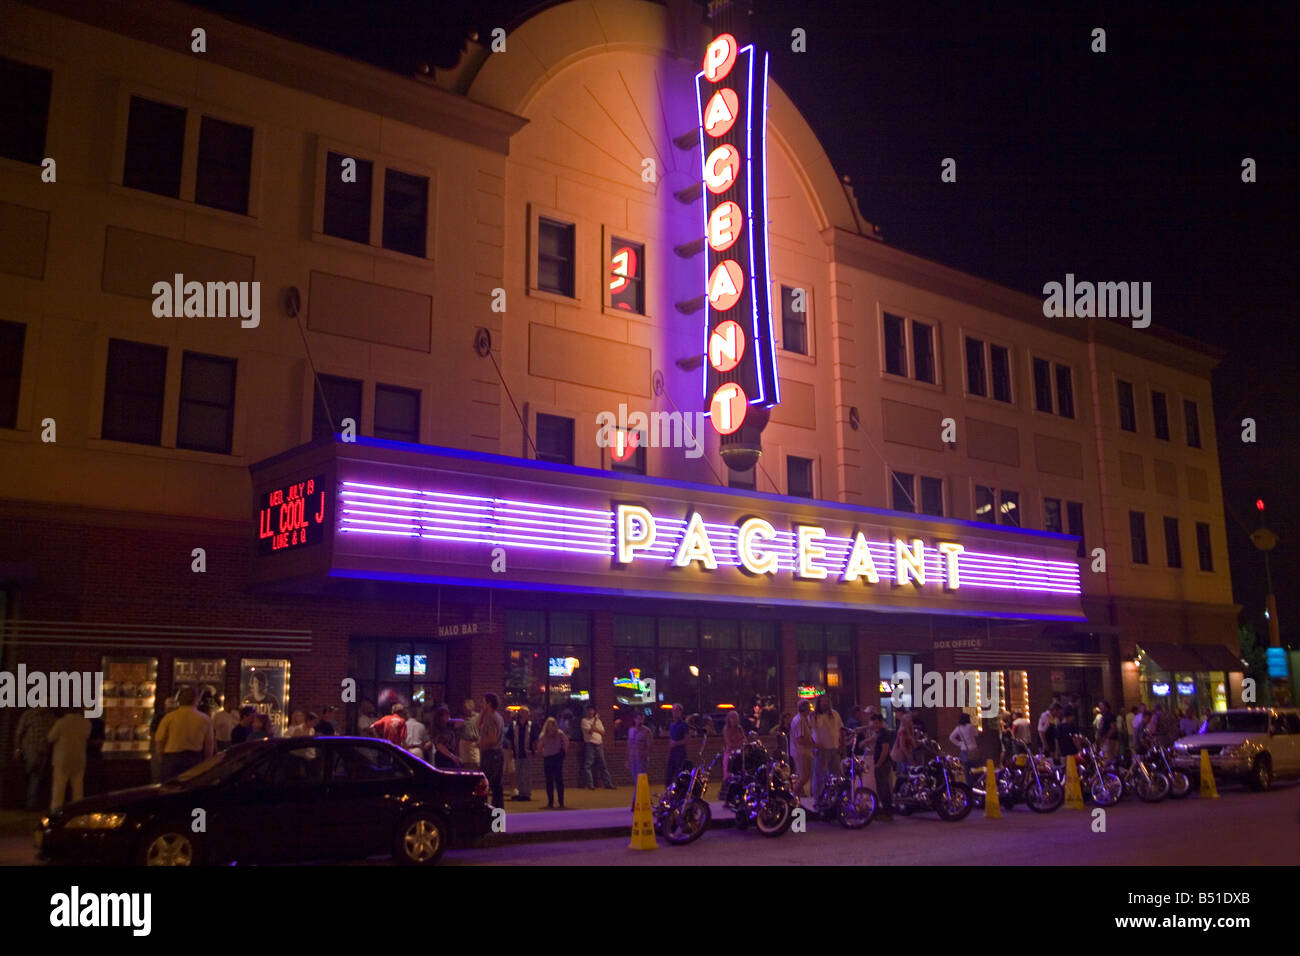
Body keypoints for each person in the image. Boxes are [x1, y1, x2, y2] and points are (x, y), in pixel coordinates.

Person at [154, 686, 216, 781]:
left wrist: (162, 759)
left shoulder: (169, 717)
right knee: (191, 789)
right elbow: (209, 744)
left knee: (168, 790)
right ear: (196, 700)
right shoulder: (204, 719)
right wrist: (206, 763)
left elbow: (160, 740)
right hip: (193, 758)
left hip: (171, 757)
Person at [47, 708, 93, 812]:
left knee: (58, 790)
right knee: (77, 790)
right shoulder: (86, 723)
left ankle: (56, 812)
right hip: (79, 760)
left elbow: (50, 737)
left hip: (62, 760)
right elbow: (87, 736)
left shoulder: (61, 722)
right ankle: (78, 812)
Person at [14, 706, 58, 812]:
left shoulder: (50, 717)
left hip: (43, 749)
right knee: (33, 766)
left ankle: (31, 803)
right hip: (30, 747)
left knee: (36, 776)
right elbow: (19, 732)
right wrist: (17, 748)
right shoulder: (29, 714)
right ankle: (27, 774)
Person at [811, 694, 844, 805]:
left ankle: (837, 799)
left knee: (837, 775)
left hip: (834, 748)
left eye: (827, 701)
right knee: (820, 776)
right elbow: (808, 733)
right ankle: (818, 800)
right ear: (818, 703)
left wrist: (842, 744)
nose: (825, 703)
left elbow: (841, 729)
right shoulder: (814, 716)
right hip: (821, 750)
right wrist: (814, 745)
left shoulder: (835, 714)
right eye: (822, 701)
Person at [478, 693, 506, 807]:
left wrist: (480, 743)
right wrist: (483, 712)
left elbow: (492, 738)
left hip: (491, 754)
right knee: (497, 786)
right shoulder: (497, 716)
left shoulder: (491, 718)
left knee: (486, 784)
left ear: (489, 704)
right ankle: (498, 814)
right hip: (497, 754)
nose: (481, 704)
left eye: (483, 702)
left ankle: (487, 810)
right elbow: (478, 724)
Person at [505, 706, 538, 801]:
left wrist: (533, 751)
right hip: (517, 752)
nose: (526, 715)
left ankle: (527, 793)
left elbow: (535, 739)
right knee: (518, 773)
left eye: (527, 713)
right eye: (524, 712)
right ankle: (520, 792)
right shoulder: (514, 725)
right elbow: (510, 739)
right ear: (520, 714)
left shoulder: (531, 725)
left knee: (527, 773)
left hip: (527, 752)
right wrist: (510, 750)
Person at [580, 705, 615, 789]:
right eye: (589, 710)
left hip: (599, 744)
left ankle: (608, 784)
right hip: (590, 744)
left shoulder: (598, 721)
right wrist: (595, 722)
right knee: (588, 764)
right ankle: (590, 785)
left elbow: (603, 731)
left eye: (592, 710)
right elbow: (590, 731)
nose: (591, 712)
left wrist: (595, 726)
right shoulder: (584, 721)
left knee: (603, 764)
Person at [539, 716, 569, 809]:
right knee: (549, 781)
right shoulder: (543, 735)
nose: (551, 727)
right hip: (548, 758)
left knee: (559, 780)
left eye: (553, 725)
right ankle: (550, 802)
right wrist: (543, 753)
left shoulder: (559, 733)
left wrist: (563, 752)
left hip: (556, 757)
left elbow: (566, 741)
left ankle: (561, 802)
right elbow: (539, 746)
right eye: (550, 725)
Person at [788, 699, 814, 798]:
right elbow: (800, 739)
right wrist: (813, 744)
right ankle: (793, 795)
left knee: (804, 775)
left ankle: (798, 795)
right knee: (804, 777)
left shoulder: (801, 719)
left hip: (802, 751)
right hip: (801, 752)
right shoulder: (800, 720)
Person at [626, 711, 652, 807]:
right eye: (638, 718)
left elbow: (649, 746)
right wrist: (627, 759)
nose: (640, 720)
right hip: (633, 759)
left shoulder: (646, 731)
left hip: (642, 760)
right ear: (635, 719)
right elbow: (629, 746)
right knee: (638, 781)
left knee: (639, 781)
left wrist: (645, 754)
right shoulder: (631, 731)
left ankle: (635, 802)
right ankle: (645, 800)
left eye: (642, 718)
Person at [871, 713, 894, 819]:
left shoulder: (883, 734)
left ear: (881, 723)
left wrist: (879, 764)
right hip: (881, 764)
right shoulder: (880, 733)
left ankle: (887, 812)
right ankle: (885, 811)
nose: (874, 725)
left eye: (876, 723)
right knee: (881, 788)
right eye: (873, 723)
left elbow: (885, 750)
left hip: (883, 765)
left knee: (883, 788)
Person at [949, 712, 979, 782]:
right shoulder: (970, 726)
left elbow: (951, 737)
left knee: (966, 769)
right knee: (975, 767)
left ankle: (968, 784)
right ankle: (975, 782)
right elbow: (976, 734)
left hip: (964, 750)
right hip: (973, 749)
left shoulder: (958, 728)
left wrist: (959, 743)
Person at [665, 703, 690, 788]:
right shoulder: (671, 725)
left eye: (676, 710)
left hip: (680, 754)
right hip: (672, 753)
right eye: (673, 710)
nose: (674, 712)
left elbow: (686, 740)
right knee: (668, 775)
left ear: (680, 712)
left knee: (678, 774)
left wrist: (676, 743)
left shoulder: (684, 725)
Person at [458, 699, 481, 770]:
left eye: (466, 707)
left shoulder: (478, 717)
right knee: (465, 765)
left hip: (474, 743)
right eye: (464, 708)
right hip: (464, 743)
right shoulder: (461, 719)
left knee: (475, 763)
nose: (465, 709)